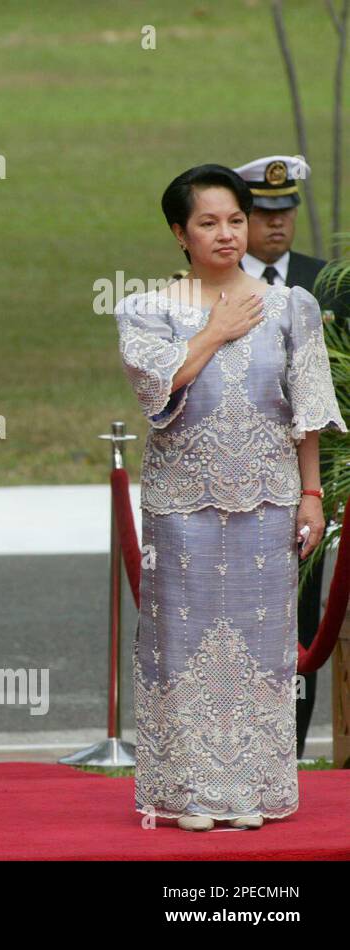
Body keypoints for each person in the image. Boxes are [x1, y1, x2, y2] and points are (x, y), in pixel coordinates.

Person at [115, 164, 345, 831]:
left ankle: (251, 788)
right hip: (182, 502)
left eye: (236, 220)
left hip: (269, 499)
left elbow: (306, 410)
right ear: (179, 233)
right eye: (209, 222)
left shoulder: (293, 307)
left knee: (261, 645)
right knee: (183, 644)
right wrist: (216, 329)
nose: (227, 234)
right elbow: (158, 390)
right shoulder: (147, 307)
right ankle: (187, 790)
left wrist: (310, 494)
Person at [234, 154, 347, 759]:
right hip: (235, 470)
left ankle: (290, 751)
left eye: (286, 211)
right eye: (261, 212)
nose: (276, 224)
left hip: (311, 474)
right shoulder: (215, 283)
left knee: (303, 621)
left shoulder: (326, 284)